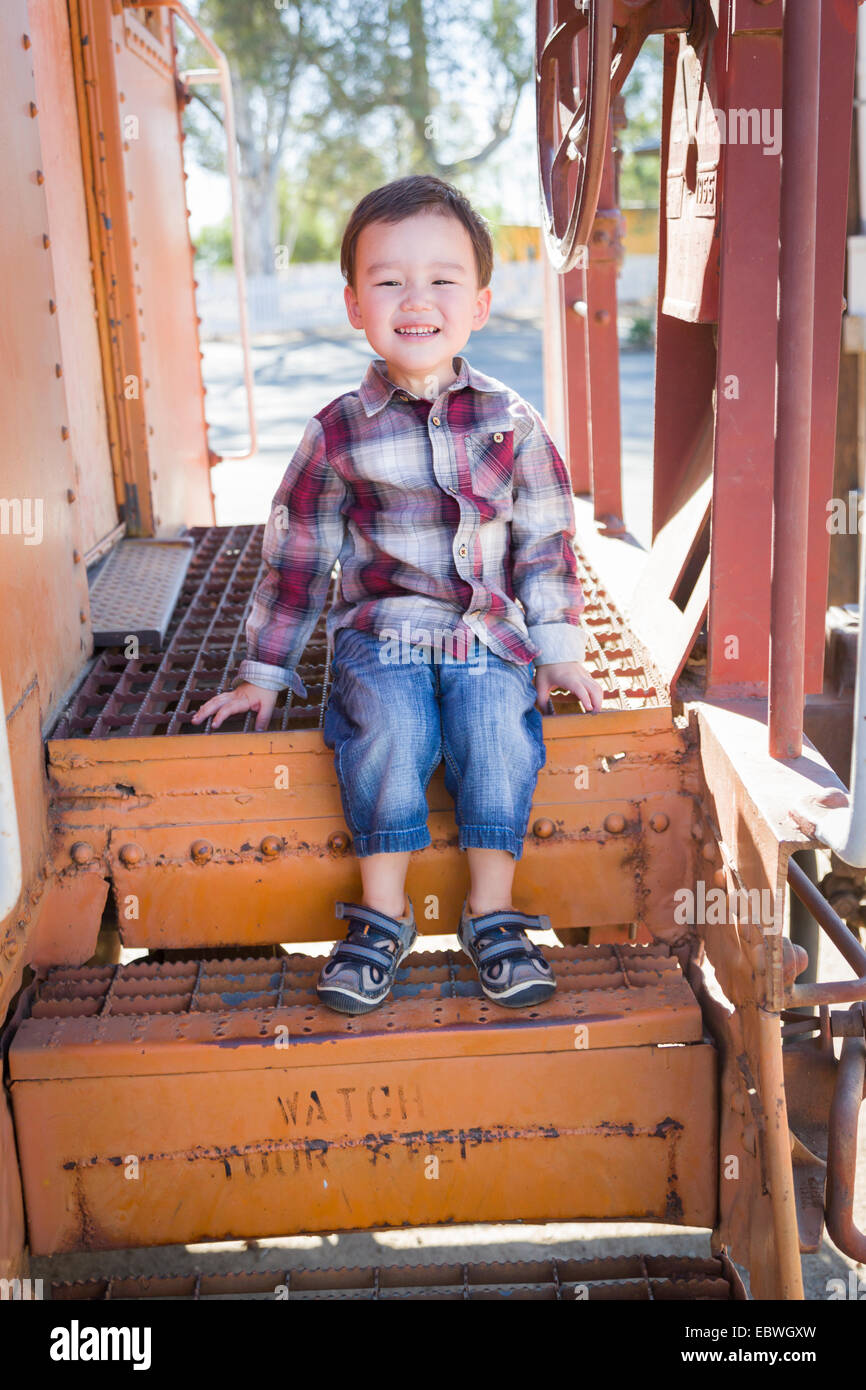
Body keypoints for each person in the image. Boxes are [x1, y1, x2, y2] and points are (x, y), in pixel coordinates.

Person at [192, 174, 604, 1016]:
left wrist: (558, 651)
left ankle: (492, 910)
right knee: (390, 725)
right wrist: (263, 673)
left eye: (443, 280)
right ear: (354, 304)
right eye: (388, 281)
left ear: (480, 304)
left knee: (497, 730)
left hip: (488, 634)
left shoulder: (511, 420)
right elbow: (298, 556)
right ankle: (381, 915)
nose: (416, 299)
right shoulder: (338, 429)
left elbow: (545, 543)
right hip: (381, 632)